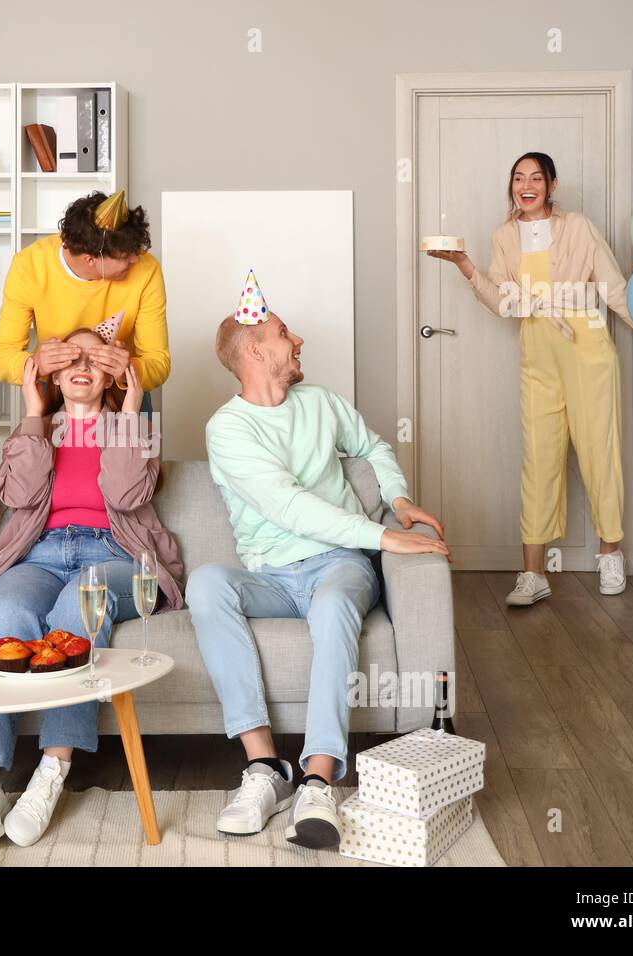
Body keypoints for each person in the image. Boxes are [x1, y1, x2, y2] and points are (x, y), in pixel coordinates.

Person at [187, 271, 449, 850]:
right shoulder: (226, 429)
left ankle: (317, 778)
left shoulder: (322, 403)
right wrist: (383, 538)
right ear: (257, 350)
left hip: (338, 566)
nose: (298, 340)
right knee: (205, 584)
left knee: (333, 607)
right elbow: (289, 507)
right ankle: (264, 769)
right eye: (285, 332)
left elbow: (373, 447)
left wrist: (398, 499)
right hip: (271, 577)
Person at [427, 151, 633, 605]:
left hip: (588, 349)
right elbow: (502, 302)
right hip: (537, 355)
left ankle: (609, 552)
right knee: (539, 460)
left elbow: (614, 291)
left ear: (552, 185)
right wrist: (463, 264)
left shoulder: (579, 228)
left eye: (535, 177)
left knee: (599, 451)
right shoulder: (504, 237)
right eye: (518, 178)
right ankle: (533, 573)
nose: (526, 185)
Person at [0, 324, 183, 852]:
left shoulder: (136, 427)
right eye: (69, 356)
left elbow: (127, 495)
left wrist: (130, 409)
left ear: (112, 372)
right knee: (7, 612)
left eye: (95, 356)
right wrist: (35, 410)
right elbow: (20, 491)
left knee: (77, 610)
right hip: (38, 555)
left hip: (113, 555)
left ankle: (51, 771)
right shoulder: (35, 428)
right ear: (52, 371)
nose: (82, 363)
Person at [0, 190, 169, 405]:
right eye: (125, 256)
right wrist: (36, 363)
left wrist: (127, 370)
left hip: (124, 392)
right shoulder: (29, 266)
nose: (135, 259)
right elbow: (1, 356)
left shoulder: (146, 268)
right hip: (59, 393)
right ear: (91, 259)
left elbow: (158, 361)